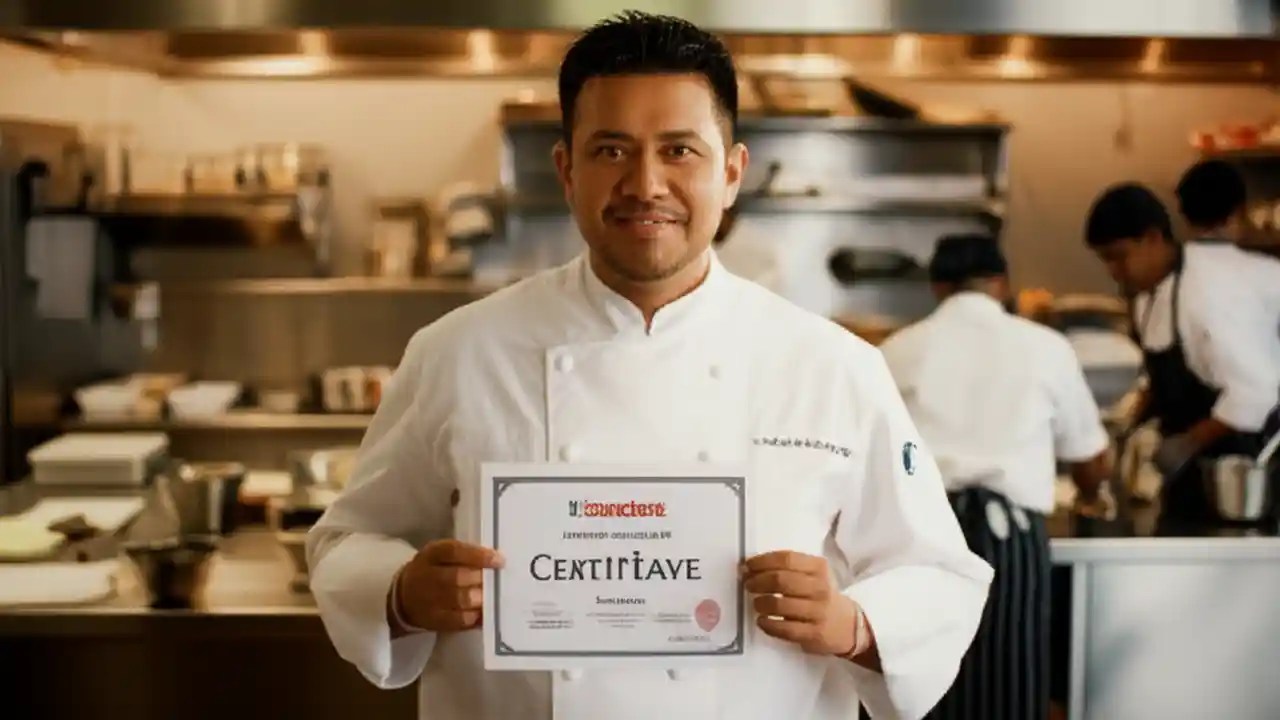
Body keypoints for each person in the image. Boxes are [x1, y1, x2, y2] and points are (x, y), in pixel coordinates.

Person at [306, 11, 992, 720]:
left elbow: (936, 571)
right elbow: (344, 540)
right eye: (611, 150)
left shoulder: (833, 366)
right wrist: (401, 592)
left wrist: (854, 623)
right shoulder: (457, 353)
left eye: (679, 151)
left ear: (731, 173)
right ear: (567, 172)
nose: (645, 184)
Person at [878, 234, 1112, 720]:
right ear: (1001, 283)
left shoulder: (898, 350)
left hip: (924, 531)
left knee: (929, 683)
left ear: (939, 287)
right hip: (1012, 540)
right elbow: (1090, 456)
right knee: (1010, 683)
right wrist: (1091, 496)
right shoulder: (1047, 347)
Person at [1084, 183, 1280, 532]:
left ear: (1153, 238)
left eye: (1119, 256)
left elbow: (1256, 393)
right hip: (1194, 475)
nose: (1113, 270)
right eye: (1105, 260)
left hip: (1244, 472)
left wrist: (1188, 442)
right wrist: (1127, 423)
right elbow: (1173, 376)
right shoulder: (1147, 297)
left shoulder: (1208, 294)